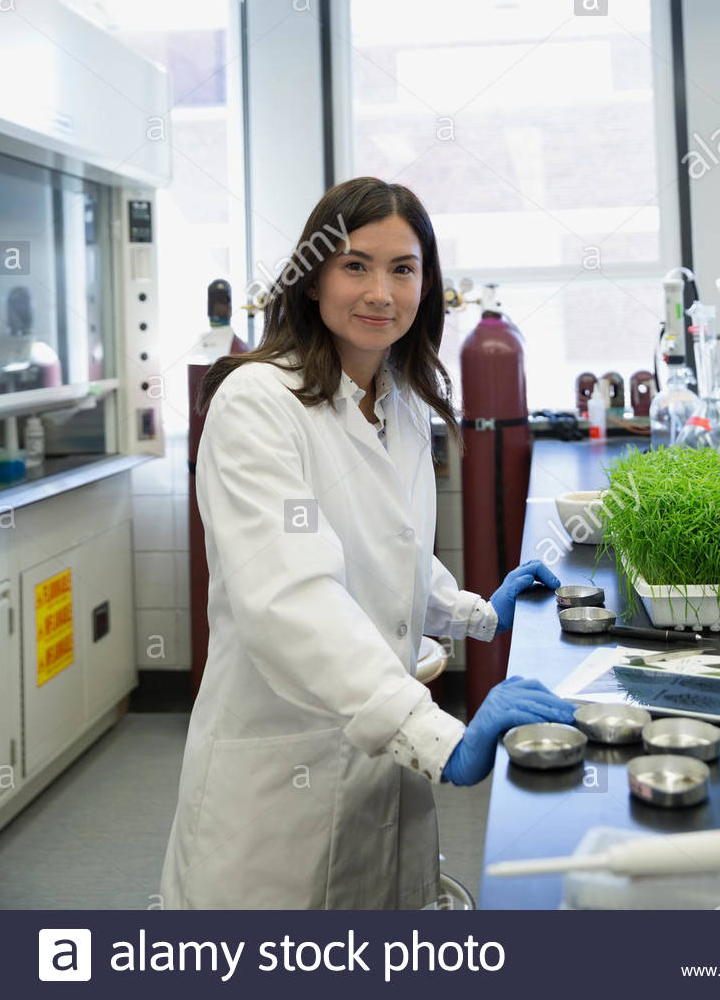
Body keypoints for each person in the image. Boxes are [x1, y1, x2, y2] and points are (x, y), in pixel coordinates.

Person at [159, 176, 576, 910]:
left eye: (403, 269)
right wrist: (434, 733)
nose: (381, 291)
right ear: (313, 278)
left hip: (380, 770)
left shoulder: (400, 402)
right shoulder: (258, 405)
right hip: (280, 782)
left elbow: (388, 550)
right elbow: (294, 599)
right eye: (356, 265)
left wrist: (475, 612)